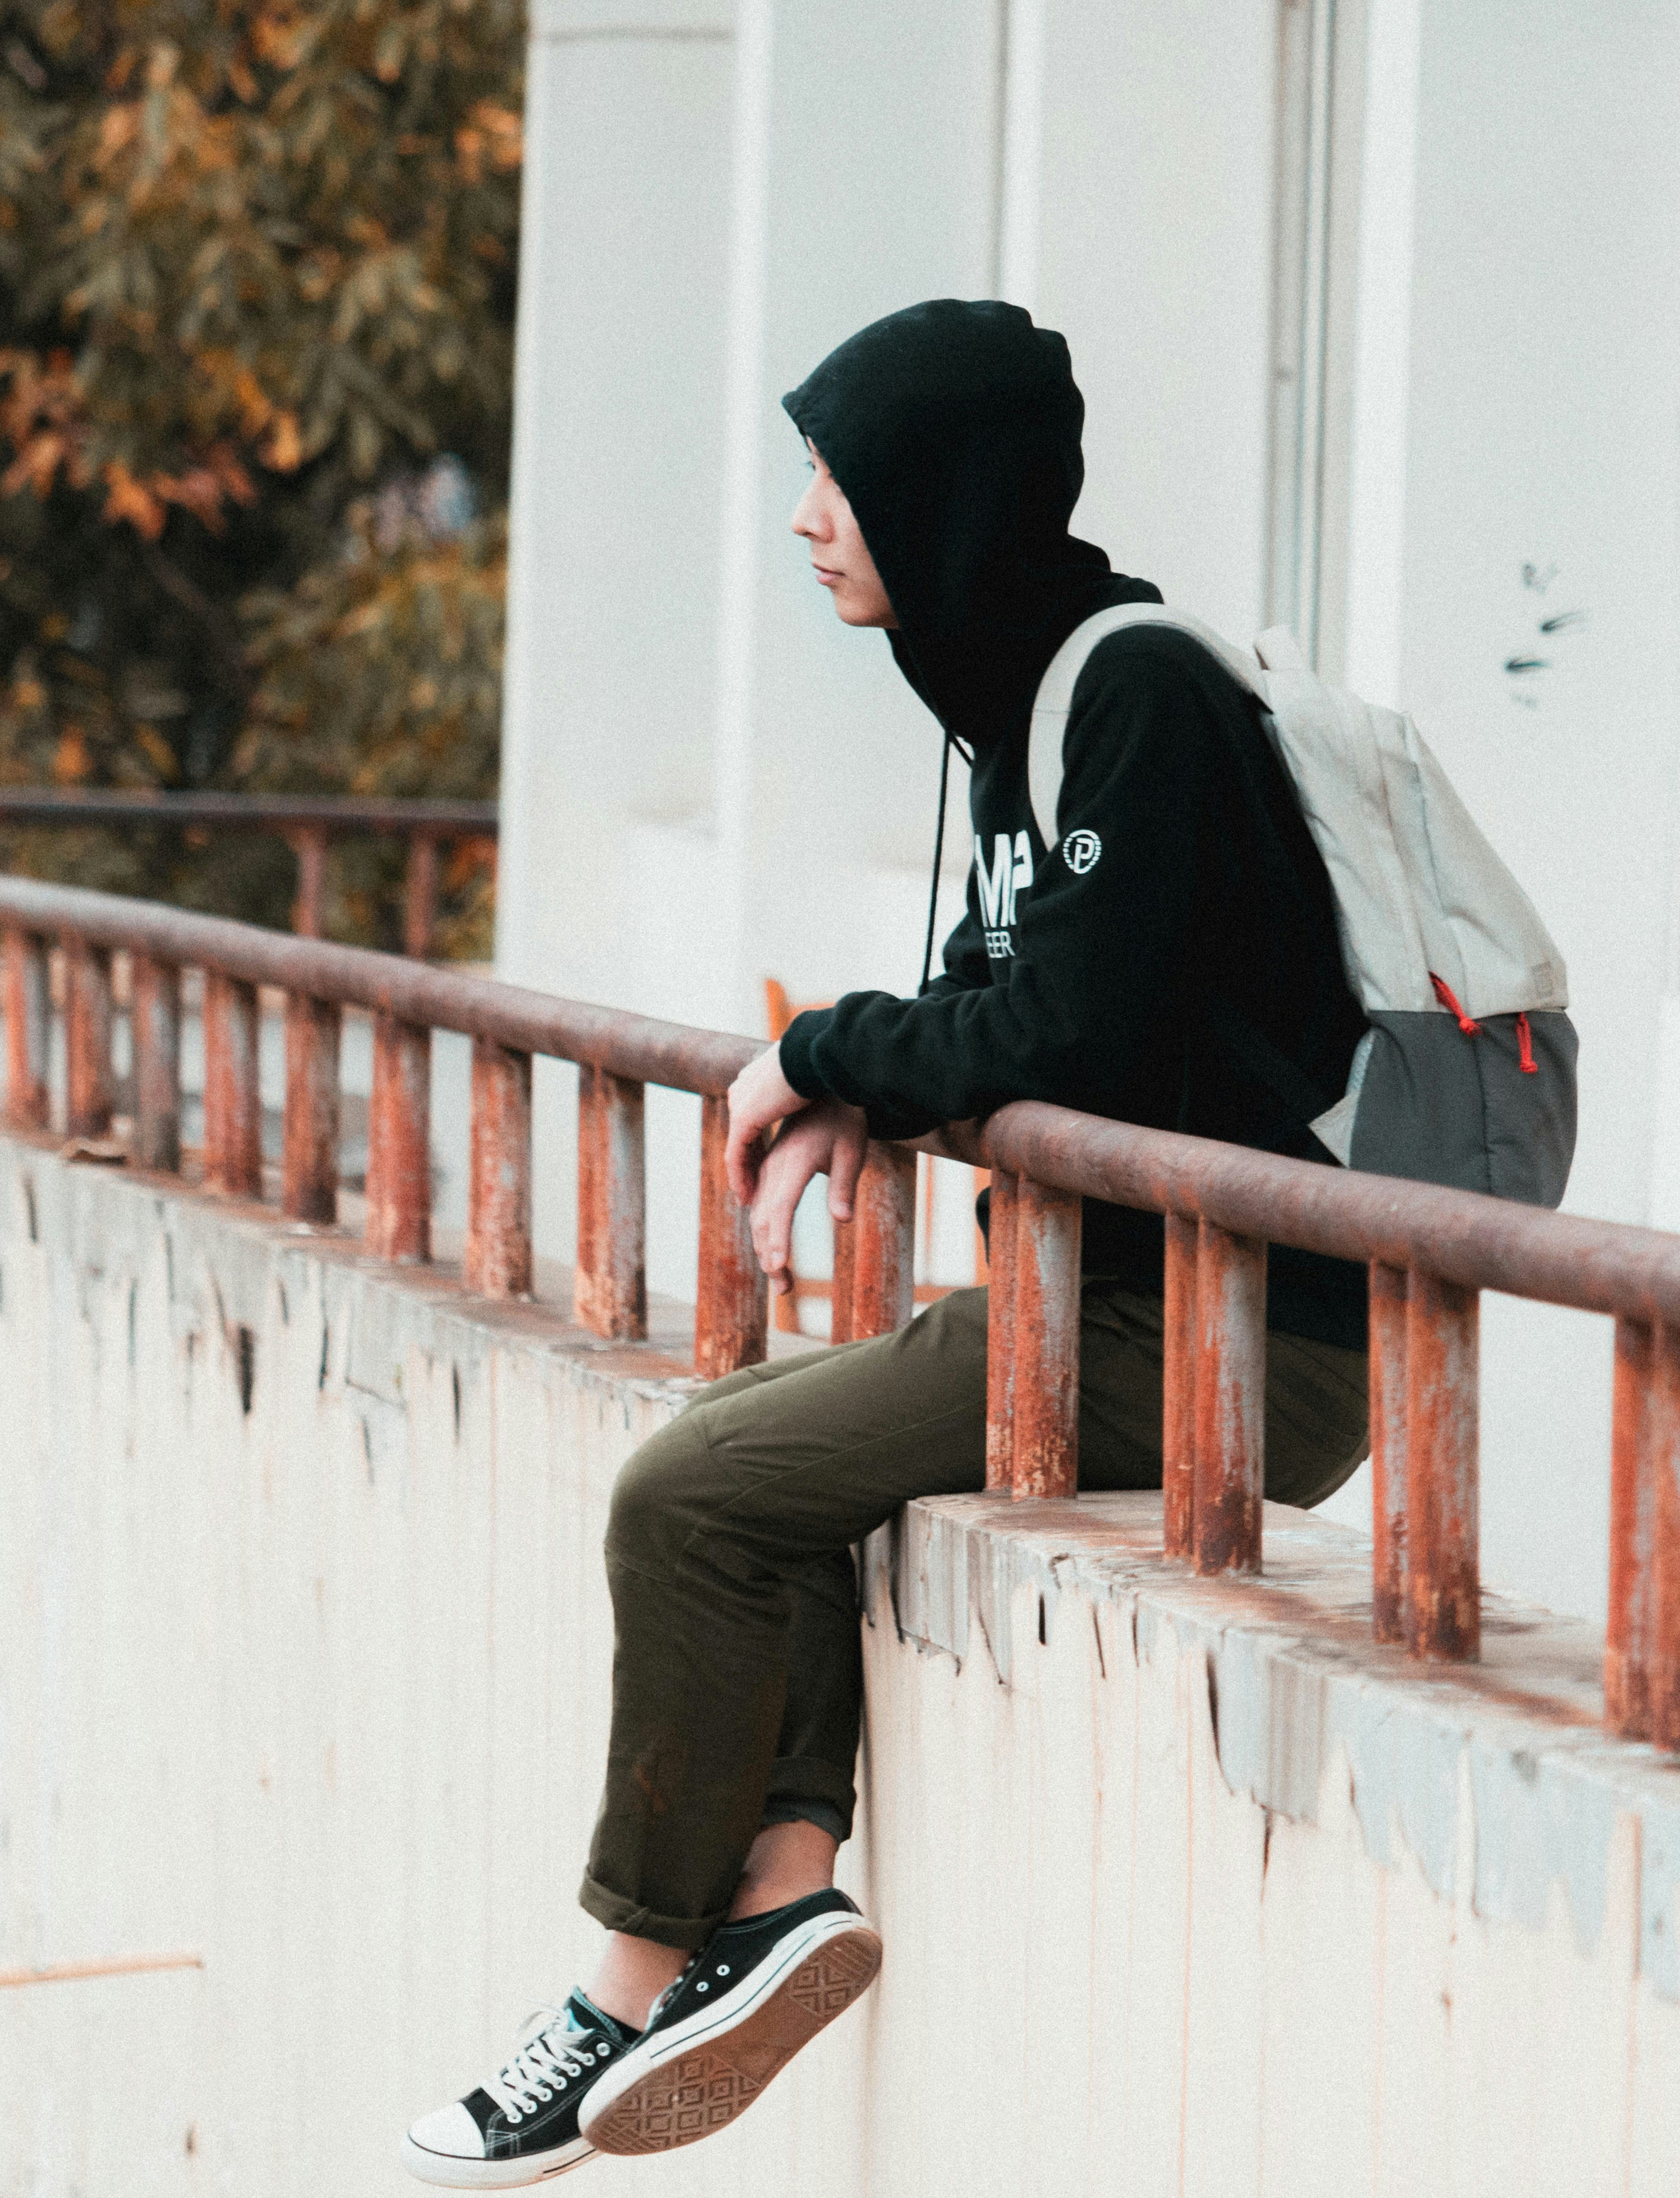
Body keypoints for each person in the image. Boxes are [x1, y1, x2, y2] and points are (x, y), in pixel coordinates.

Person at [401, 298, 1375, 2188]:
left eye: (839, 478)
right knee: (778, 1461)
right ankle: (780, 1887)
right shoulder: (1024, 712)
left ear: (951, 495)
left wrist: (819, 1050)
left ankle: (621, 1990)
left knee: (688, 1492)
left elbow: (1068, 1031)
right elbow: (1012, 994)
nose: (807, 521)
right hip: (1116, 1306)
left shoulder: (1135, 696)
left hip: (1228, 1333)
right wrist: (879, 1076)